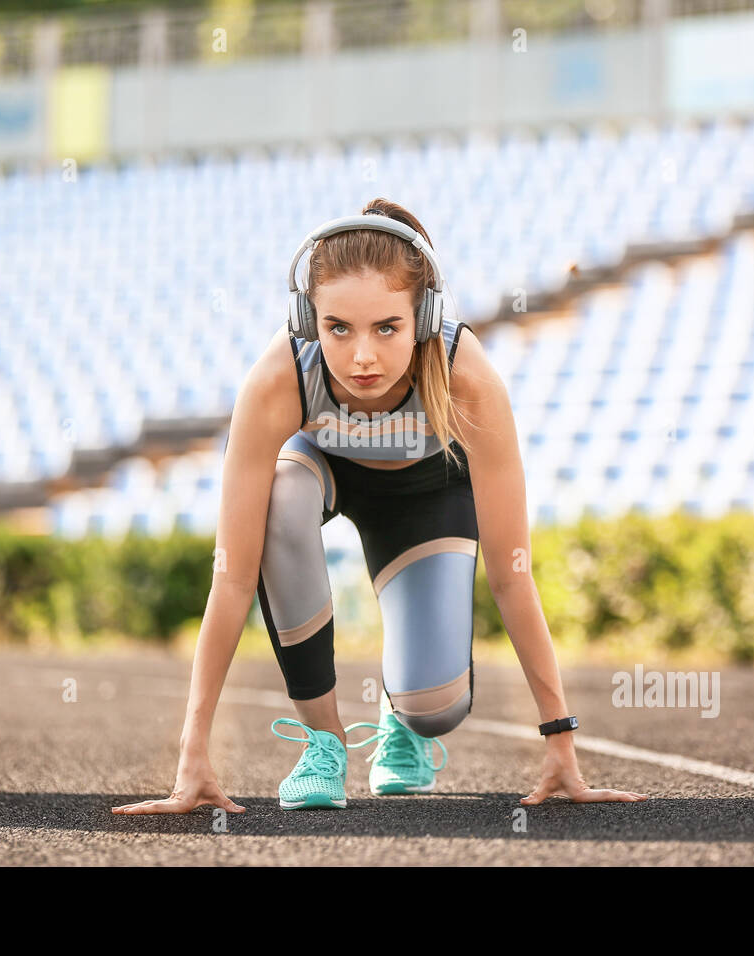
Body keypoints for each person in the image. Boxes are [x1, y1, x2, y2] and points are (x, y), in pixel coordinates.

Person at [113, 199, 649, 814]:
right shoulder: (278, 379)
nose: (362, 356)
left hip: (427, 495)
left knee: (436, 707)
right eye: (338, 328)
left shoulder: (467, 377)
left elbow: (510, 573)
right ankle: (324, 743)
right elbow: (232, 575)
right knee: (280, 497)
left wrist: (560, 743)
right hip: (321, 476)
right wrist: (193, 755)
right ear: (307, 318)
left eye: (386, 328)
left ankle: (402, 720)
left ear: (423, 318)